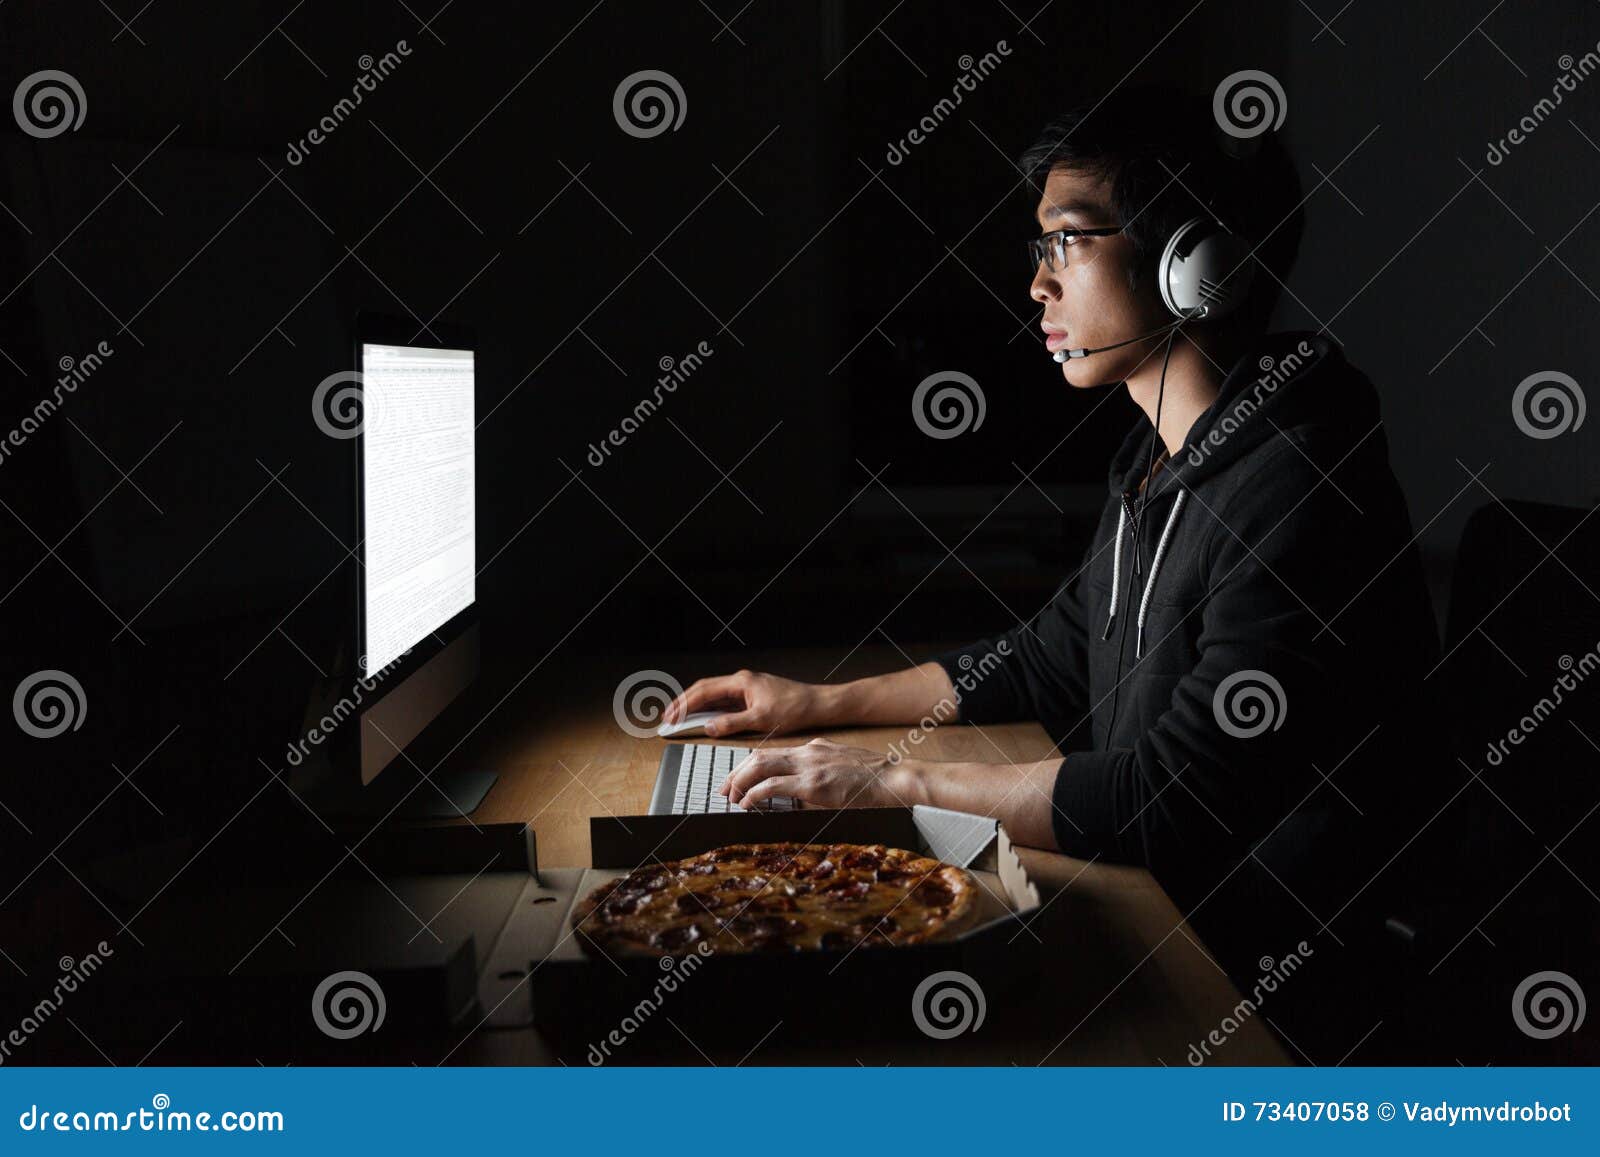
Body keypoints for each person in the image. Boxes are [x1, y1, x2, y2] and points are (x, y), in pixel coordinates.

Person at [662, 85, 1440, 1060]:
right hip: (1161, 916)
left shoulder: (1303, 487)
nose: (1038, 283)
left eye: (1067, 242)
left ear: (1190, 267)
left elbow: (1173, 799)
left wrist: (887, 781)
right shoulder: (1155, 461)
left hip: (1261, 998)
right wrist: (817, 702)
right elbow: (1052, 657)